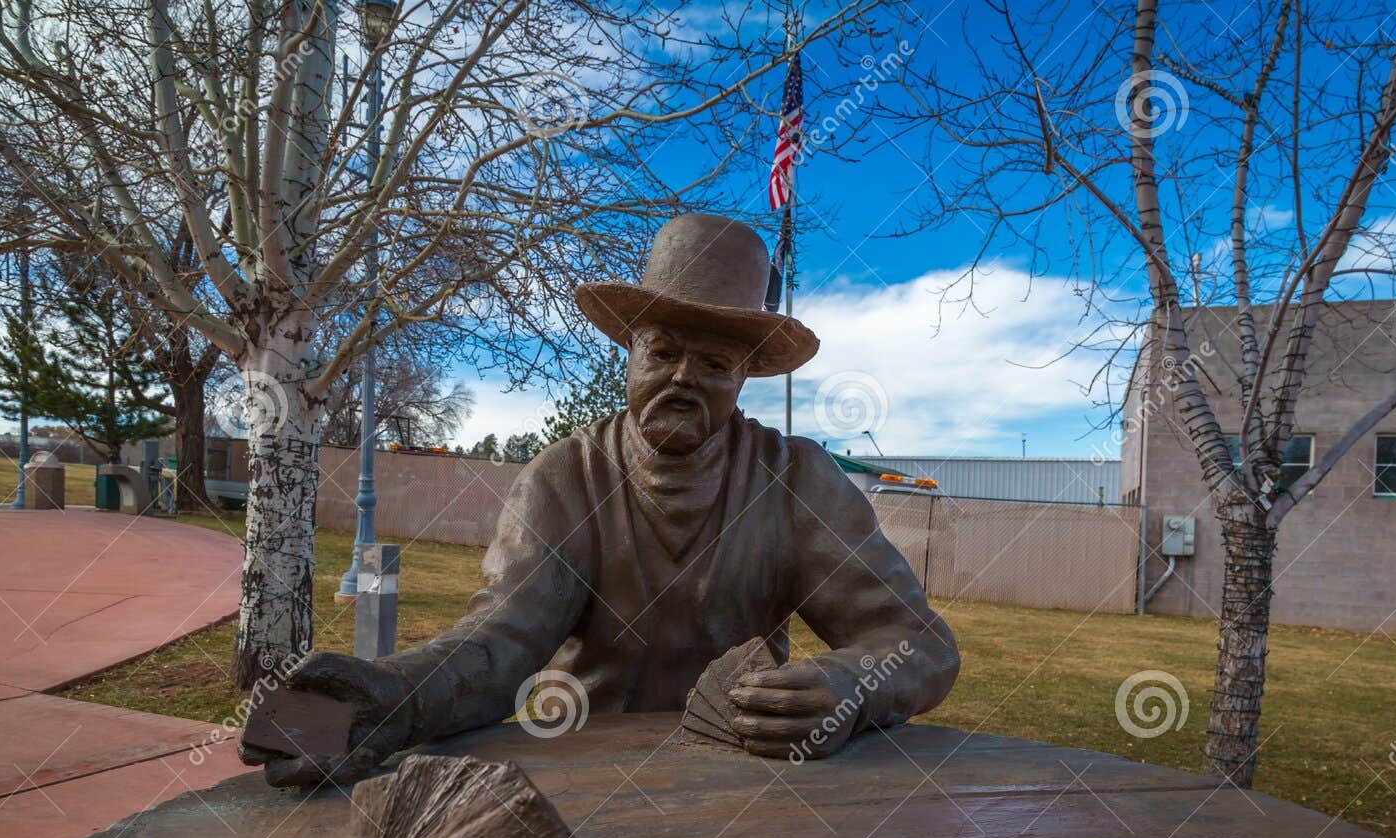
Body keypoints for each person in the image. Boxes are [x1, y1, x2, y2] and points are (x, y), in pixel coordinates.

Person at [251, 214, 958, 786]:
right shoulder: (564, 478)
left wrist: (848, 685)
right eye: (662, 351)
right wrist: (384, 702)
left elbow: (921, 644)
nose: (684, 377)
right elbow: (500, 643)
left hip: (745, 788)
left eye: (714, 363)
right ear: (629, 351)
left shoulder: (795, 481)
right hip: (581, 775)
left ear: (745, 377)